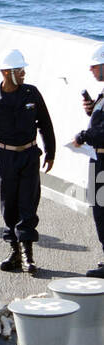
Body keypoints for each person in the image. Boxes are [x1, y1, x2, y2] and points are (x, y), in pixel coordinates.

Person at [0, 48, 55, 275]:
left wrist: (50, 152)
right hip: (6, 158)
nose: (23, 74)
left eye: (22, 70)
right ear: (5, 72)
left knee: (28, 205)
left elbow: (45, 124)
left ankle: (27, 255)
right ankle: (14, 252)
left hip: (29, 156)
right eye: (19, 70)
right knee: (8, 205)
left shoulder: (32, 94)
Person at [70, 41, 104, 276]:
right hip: (98, 160)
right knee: (99, 207)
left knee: (102, 209)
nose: (91, 70)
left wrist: (84, 135)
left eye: (94, 66)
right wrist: (93, 111)